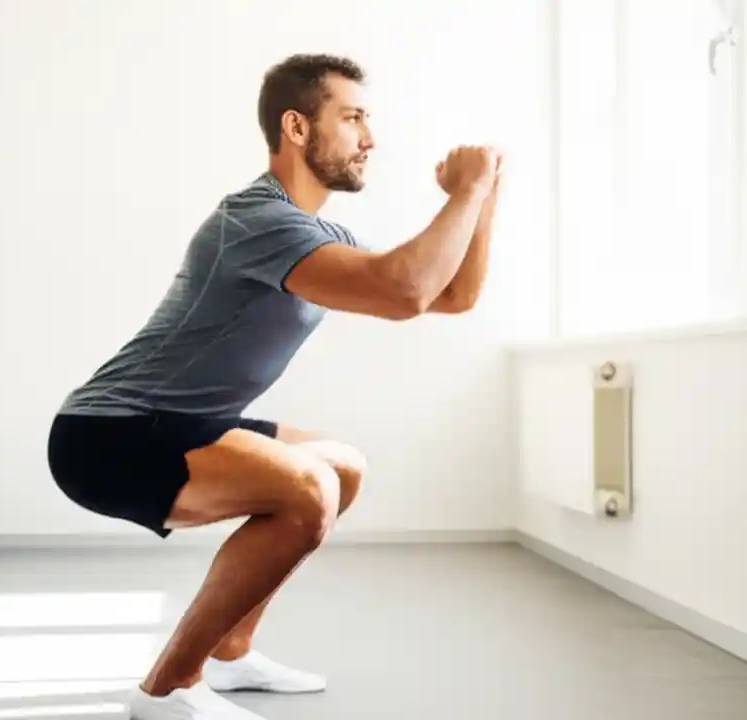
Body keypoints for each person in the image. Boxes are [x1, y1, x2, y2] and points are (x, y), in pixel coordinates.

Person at [46, 53, 501, 720]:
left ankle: (231, 655)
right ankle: (166, 690)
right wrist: (466, 191)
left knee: (340, 466)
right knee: (307, 488)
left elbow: (451, 294)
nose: (370, 138)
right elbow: (402, 291)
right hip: (110, 433)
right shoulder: (257, 221)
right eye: (353, 118)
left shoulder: (316, 232)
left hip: (181, 423)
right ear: (296, 126)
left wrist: (482, 196)